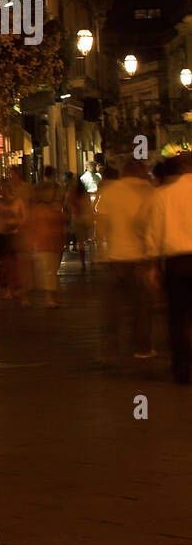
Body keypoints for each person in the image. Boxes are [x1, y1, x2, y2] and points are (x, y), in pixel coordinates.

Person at [96, 158, 157, 360]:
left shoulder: (110, 191)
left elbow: (101, 226)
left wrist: (101, 249)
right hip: (140, 256)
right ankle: (142, 347)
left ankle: (111, 345)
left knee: (112, 306)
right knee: (142, 305)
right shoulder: (149, 190)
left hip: (115, 256)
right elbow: (152, 225)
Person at [147, 153, 192, 383]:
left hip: (176, 263)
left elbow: (154, 233)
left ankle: (182, 366)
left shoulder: (164, 195)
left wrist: (154, 266)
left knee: (177, 316)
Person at [27, 171, 68, 308]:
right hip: (47, 243)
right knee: (50, 271)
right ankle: (49, 297)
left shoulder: (41, 208)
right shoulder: (44, 209)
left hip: (50, 242)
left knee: (50, 270)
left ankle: (50, 295)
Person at [0, 177, 28, 303]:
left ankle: (14, 289)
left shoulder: (17, 201)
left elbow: (24, 217)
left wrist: (16, 224)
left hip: (13, 235)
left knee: (13, 263)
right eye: (1, 187)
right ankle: (7, 290)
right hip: (1, 235)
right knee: (2, 263)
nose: (3, 190)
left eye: (5, 187)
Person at [66, 177, 95, 272]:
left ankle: (83, 264)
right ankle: (92, 259)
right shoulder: (86, 193)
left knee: (81, 243)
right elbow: (89, 206)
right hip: (87, 218)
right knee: (90, 240)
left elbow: (68, 206)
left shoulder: (71, 194)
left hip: (77, 218)